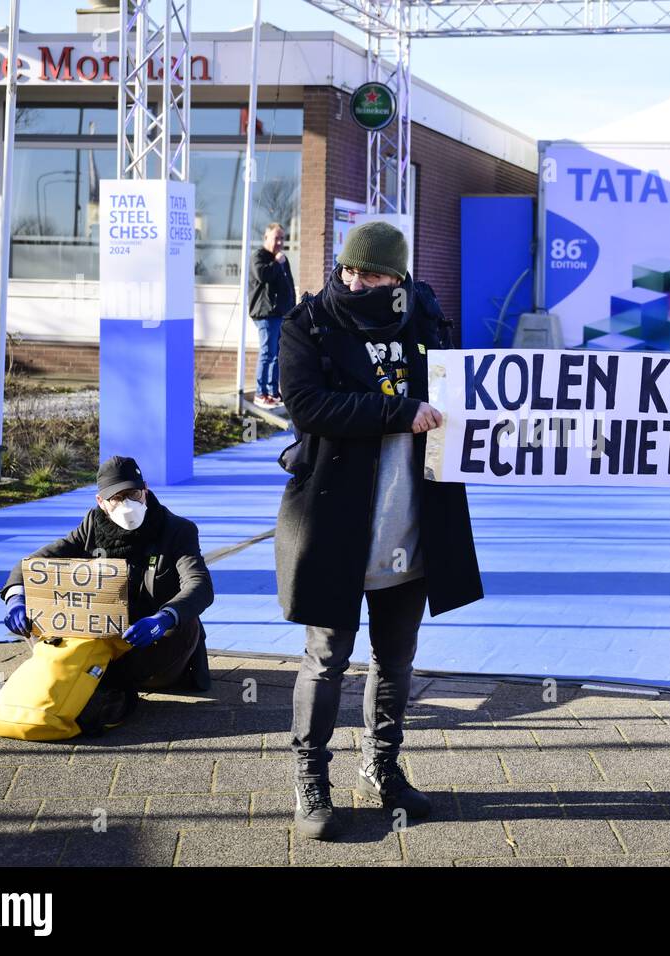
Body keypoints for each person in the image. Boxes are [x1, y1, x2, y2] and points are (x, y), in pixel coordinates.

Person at [275, 220, 483, 840]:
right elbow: (307, 405)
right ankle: (311, 777)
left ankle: (383, 766)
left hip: (413, 524)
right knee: (326, 658)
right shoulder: (309, 324)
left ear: (399, 278)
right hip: (336, 523)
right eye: (348, 270)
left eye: (370, 274)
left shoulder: (426, 322)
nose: (355, 282)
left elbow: (464, 397)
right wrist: (398, 411)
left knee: (395, 660)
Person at [0, 455, 215, 732]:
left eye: (133, 494)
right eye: (116, 497)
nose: (127, 504)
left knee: (187, 624)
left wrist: (164, 618)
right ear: (101, 502)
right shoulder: (91, 526)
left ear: (145, 491)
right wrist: (16, 598)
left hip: (149, 645)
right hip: (99, 638)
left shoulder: (177, 530)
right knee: (38, 611)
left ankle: (96, 684)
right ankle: (86, 681)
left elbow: (199, 585)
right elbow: (33, 564)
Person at [249, 222, 296, 407]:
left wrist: (293, 308)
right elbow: (263, 275)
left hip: (281, 313)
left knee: (277, 354)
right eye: (276, 237)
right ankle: (261, 393)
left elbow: (289, 285)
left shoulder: (282, 259)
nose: (279, 242)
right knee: (267, 353)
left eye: (282, 238)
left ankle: (273, 392)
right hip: (265, 313)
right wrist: (277, 262)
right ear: (266, 237)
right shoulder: (259, 256)